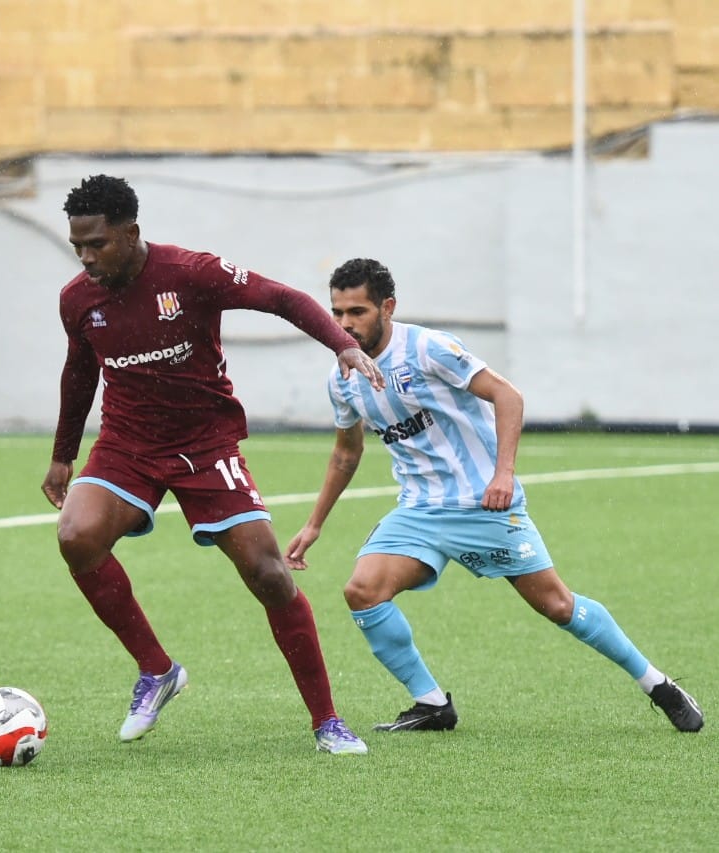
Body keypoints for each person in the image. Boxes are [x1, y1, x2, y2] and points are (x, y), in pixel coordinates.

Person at [40, 174, 386, 755]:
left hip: (206, 445)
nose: (86, 257)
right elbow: (79, 374)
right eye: (78, 245)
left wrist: (341, 343)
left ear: (131, 233)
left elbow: (283, 298)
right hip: (127, 445)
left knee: (269, 575)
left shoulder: (190, 273)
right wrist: (62, 455)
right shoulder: (78, 299)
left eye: (97, 244)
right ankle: (157, 671)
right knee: (76, 536)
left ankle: (327, 722)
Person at [284, 257, 704, 733]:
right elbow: (346, 453)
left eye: (356, 312)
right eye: (336, 313)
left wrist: (503, 475)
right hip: (419, 510)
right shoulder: (342, 376)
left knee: (558, 606)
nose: (344, 324)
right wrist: (315, 523)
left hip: (483, 503)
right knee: (362, 591)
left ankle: (658, 685)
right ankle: (432, 703)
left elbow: (508, 396)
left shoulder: (428, 348)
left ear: (388, 308)